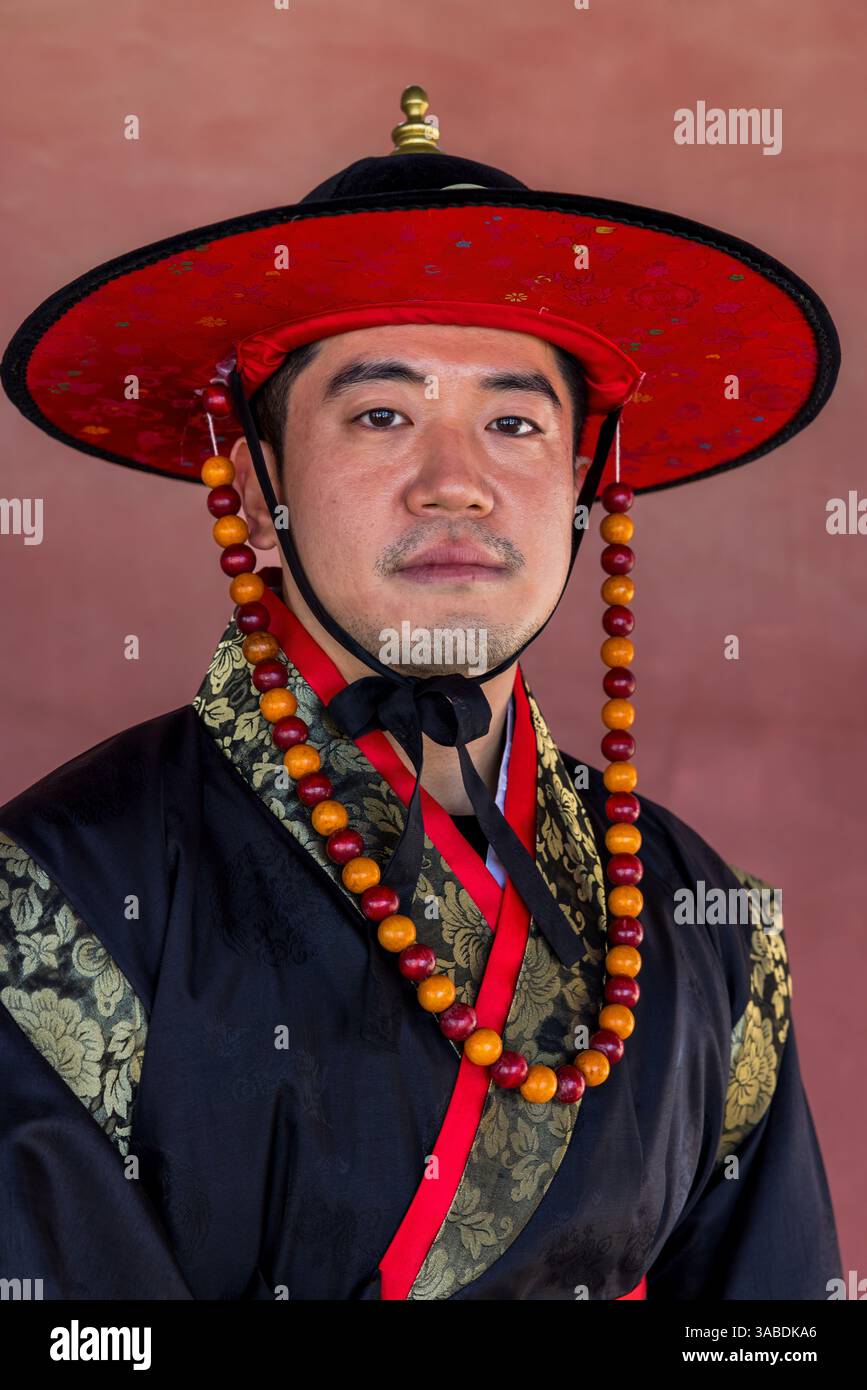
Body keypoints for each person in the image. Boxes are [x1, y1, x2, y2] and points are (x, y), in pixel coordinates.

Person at [0, 85, 842, 1300]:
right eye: (384, 413)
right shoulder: (62, 894)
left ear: (584, 487)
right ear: (254, 487)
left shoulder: (706, 922)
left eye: (514, 421)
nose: (456, 483)